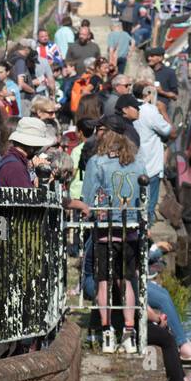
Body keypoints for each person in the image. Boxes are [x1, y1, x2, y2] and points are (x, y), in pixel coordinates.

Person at [81, 128, 146, 354]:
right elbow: (143, 201)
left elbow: (88, 198)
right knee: (126, 280)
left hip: (105, 231)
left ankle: (107, 332)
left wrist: (89, 212)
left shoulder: (97, 162)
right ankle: (129, 333)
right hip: (130, 230)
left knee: (103, 281)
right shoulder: (138, 164)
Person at [125, 92, 172, 225]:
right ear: (148, 94)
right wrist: (163, 111)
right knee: (149, 207)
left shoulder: (128, 112)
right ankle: (146, 233)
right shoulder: (151, 111)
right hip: (151, 166)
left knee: (134, 204)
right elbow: (169, 131)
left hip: (133, 166)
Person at [0, 116, 53, 188]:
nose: (40, 149)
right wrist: (41, 182)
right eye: (39, 146)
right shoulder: (16, 168)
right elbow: (28, 198)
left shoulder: (11, 161)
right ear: (32, 146)